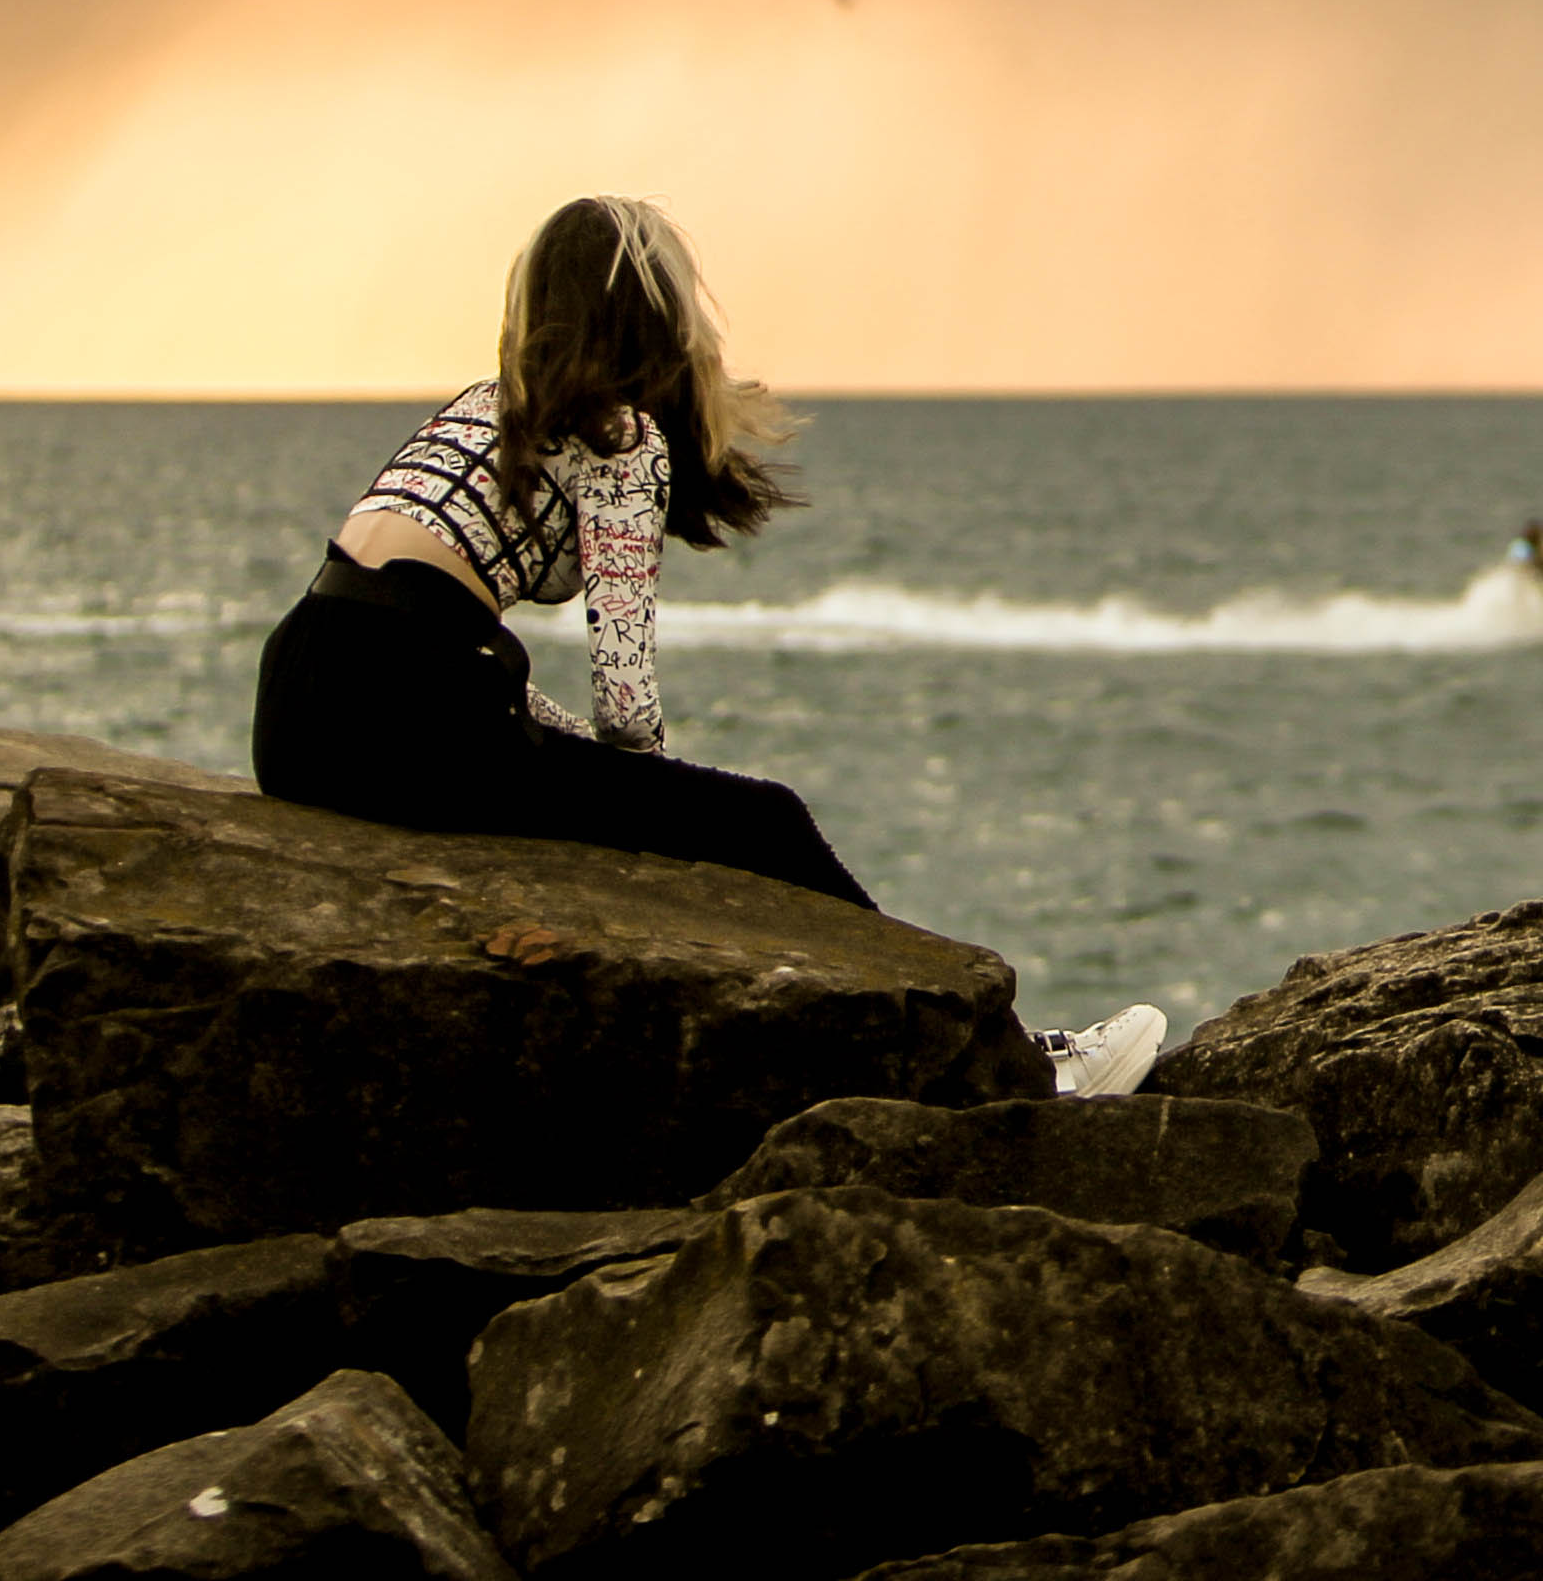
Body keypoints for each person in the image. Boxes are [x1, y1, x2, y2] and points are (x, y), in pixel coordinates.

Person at [249, 194, 1163, 1096]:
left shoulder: (483, 407)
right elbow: (625, 705)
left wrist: (580, 761)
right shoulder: (618, 435)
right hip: (408, 700)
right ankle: (1010, 1067)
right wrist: (659, 801)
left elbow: (425, 630)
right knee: (765, 820)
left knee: (664, 799)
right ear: (652, 316)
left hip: (297, 700)